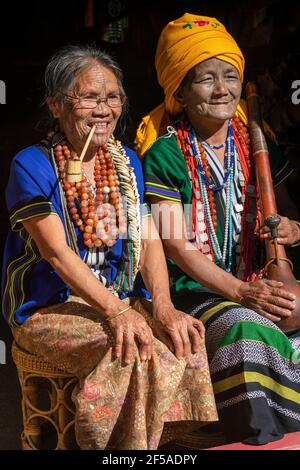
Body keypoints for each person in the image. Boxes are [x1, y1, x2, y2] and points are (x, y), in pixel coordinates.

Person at [1, 44, 218, 450]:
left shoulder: (127, 162)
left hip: (119, 298)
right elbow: (56, 253)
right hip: (48, 307)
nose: (104, 109)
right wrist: (116, 311)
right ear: (55, 105)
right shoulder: (30, 164)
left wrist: (164, 305)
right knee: (125, 348)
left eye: (113, 97)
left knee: (183, 334)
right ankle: (111, 447)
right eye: (89, 98)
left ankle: (167, 443)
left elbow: (150, 235)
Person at [137, 13, 300, 445]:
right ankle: (263, 438)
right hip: (196, 293)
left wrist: (292, 230)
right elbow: (175, 244)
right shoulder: (165, 153)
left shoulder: (256, 140)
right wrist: (241, 291)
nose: (223, 89)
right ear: (180, 91)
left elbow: (289, 214)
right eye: (205, 79)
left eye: (230, 76)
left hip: (259, 281)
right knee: (247, 328)